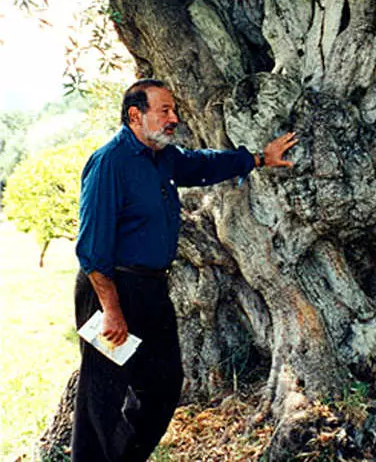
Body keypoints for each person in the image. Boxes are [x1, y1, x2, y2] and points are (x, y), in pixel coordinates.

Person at [71, 78, 298, 461]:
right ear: (134, 115)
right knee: (103, 396)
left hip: (152, 288)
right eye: (165, 110)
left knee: (163, 385)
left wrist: (257, 158)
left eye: (173, 110)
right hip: (109, 290)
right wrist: (111, 310)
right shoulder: (110, 162)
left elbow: (203, 164)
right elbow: (92, 251)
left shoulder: (164, 157)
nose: (174, 117)